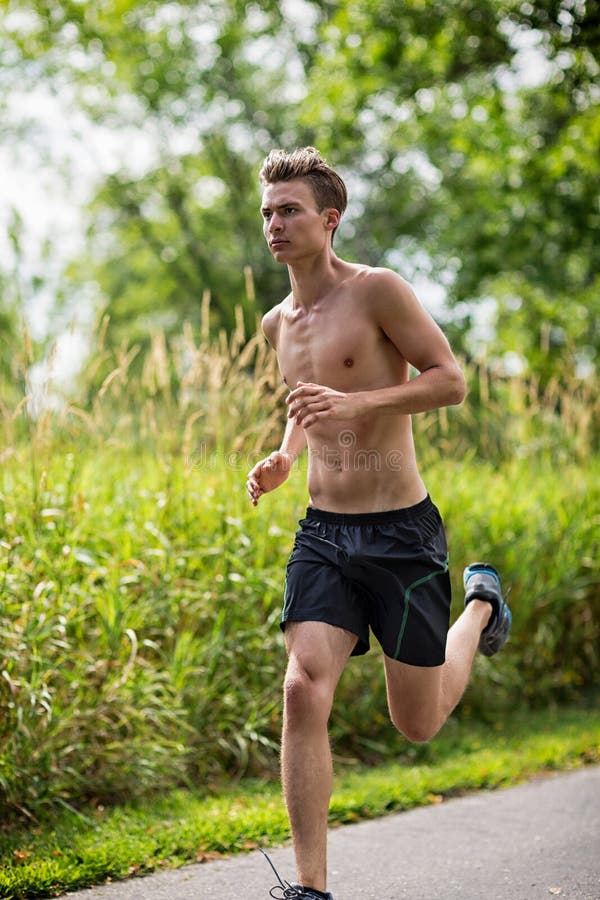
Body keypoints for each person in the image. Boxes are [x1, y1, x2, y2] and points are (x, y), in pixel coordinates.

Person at [246, 147, 512, 900]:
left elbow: (450, 382)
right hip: (324, 533)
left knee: (418, 724)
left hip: (402, 534)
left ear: (329, 220)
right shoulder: (277, 323)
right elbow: (305, 405)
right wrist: (284, 456)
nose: (275, 224)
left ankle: (482, 606)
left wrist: (357, 404)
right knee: (302, 688)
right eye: (268, 212)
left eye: (289, 210)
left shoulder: (378, 292)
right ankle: (310, 888)